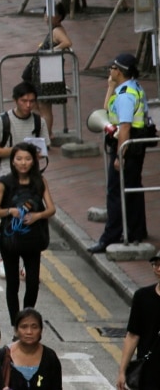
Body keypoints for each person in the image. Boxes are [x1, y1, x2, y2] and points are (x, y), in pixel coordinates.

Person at [90, 52, 151, 252]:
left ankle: (109, 238)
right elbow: (106, 110)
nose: (110, 71)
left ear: (121, 71)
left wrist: (119, 156)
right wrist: (110, 86)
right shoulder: (132, 88)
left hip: (127, 148)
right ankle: (136, 231)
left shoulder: (125, 96)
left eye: (113, 68)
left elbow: (124, 128)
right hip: (135, 147)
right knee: (133, 189)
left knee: (116, 193)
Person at [0, 142, 54, 319]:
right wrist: (10, 211)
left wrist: (37, 216)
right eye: (19, 159)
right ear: (12, 161)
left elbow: (51, 209)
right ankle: (15, 323)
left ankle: (26, 317)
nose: (23, 163)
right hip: (10, 240)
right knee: (13, 283)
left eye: (27, 159)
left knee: (33, 283)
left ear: (34, 161)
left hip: (33, 239)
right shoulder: (4, 183)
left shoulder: (40, 182)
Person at [28, 4, 72, 142]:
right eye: (46, 13)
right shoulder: (52, 30)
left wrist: (52, 51)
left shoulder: (57, 31)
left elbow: (67, 42)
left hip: (48, 73)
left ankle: (47, 135)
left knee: (45, 106)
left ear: (58, 17)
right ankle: (45, 132)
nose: (47, 17)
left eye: (50, 14)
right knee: (38, 104)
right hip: (43, 72)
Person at [0, 83, 46, 180]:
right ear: (15, 100)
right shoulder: (2, 121)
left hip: (31, 175)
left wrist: (37, 153)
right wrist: (18, 150)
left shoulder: (39, 121)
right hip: (7, 174)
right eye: (24, 101)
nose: (28, 105)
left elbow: (43, 151)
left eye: (32, 101)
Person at [0, 309, 61, 390]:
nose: (29, 332)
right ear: (16, 330)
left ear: (41, 330)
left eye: (34, 327)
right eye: (24, 327)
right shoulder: (1, 356)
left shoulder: (50, 357)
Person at [120, 254, 160, 390]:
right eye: (156, 265)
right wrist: (122, 371)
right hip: (148, 373)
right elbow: (132, 336)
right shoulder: (142, 297)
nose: (158, 269)